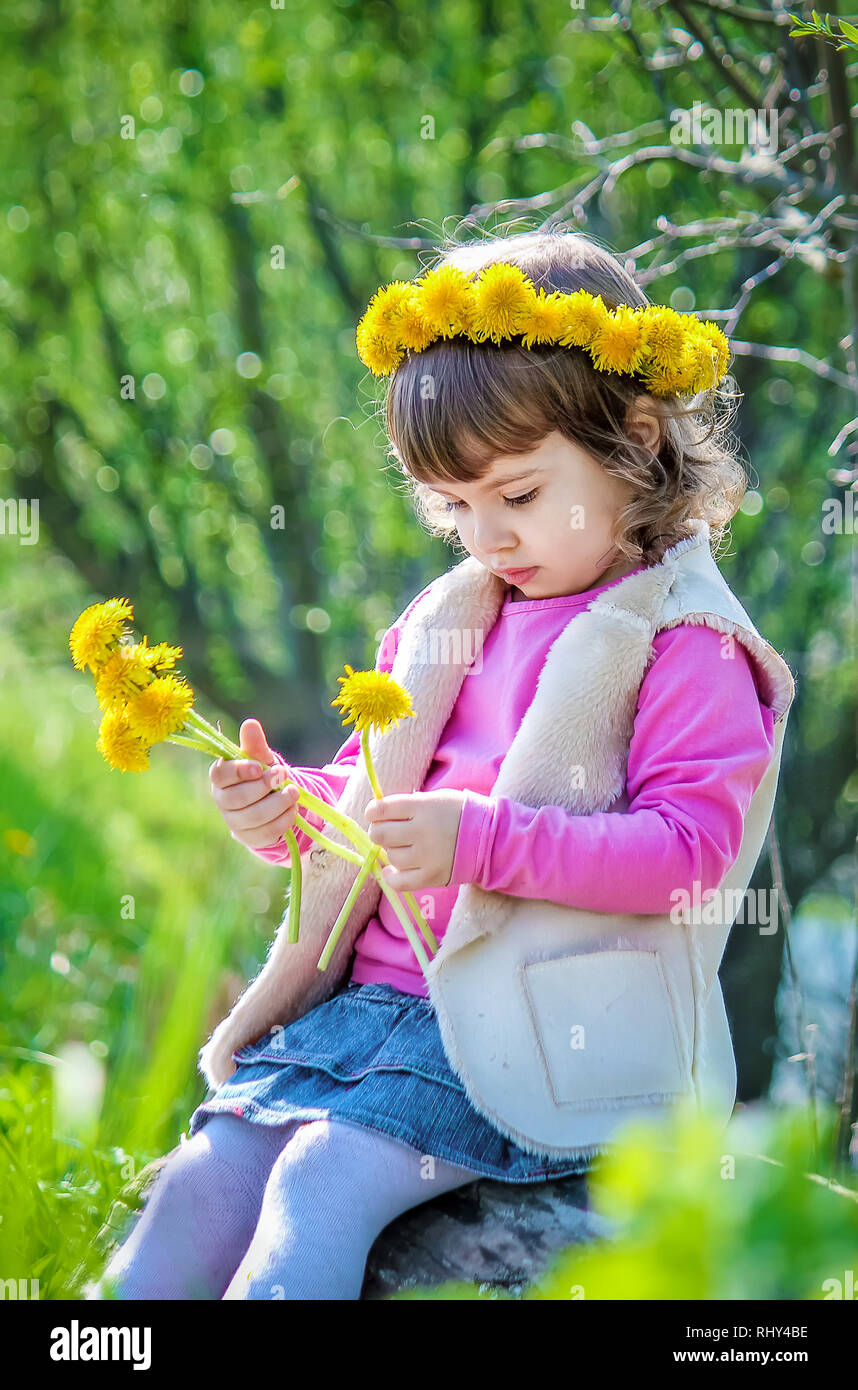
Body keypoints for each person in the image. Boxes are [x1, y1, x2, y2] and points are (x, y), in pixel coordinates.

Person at [95, 225, 794, 1300]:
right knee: (202, 1178)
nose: (486, 537)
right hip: (371, 1016)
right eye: (451, 506)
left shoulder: (681, 641)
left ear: (640, 441)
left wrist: (481, 841)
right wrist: (295, 809)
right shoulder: (450, 619)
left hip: (522, 1028)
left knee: (322, 1181)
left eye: (516, 496)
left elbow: (692, 853)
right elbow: (379, 801)